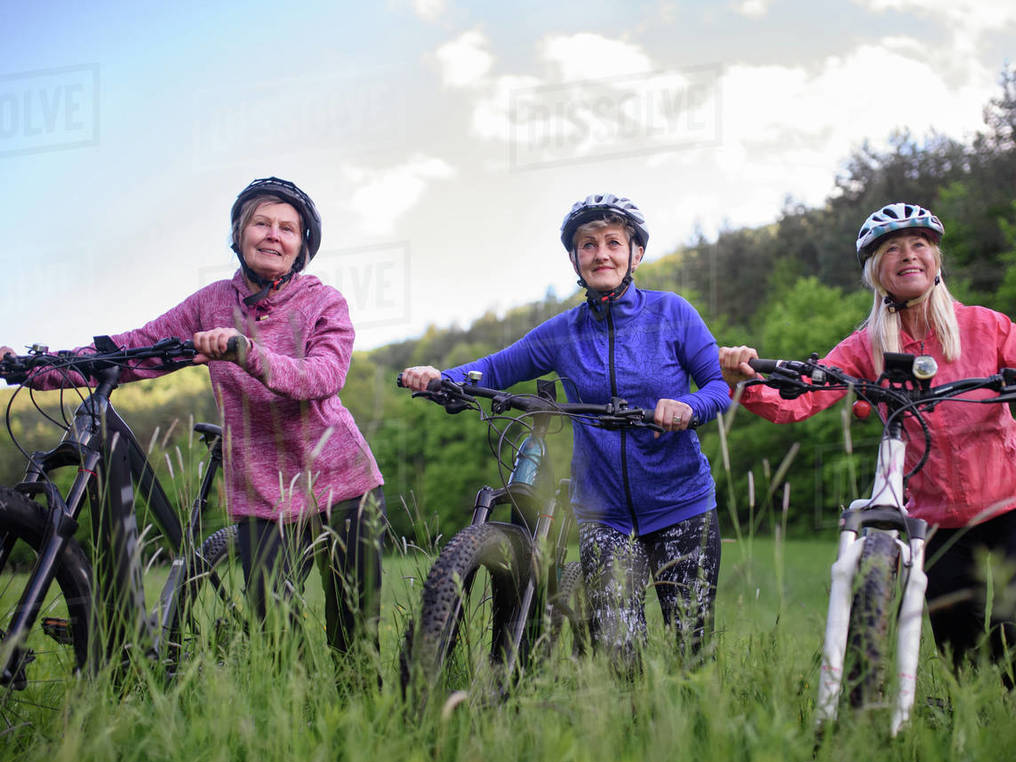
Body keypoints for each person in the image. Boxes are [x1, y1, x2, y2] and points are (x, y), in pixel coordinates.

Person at [3, 177, 386, 661]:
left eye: (288, 228)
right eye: (261, 223)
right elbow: (136, 348)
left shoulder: (323, 302)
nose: (273, 234)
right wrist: (38, 369)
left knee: (355, 634)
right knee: (275, 636)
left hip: (341, 482)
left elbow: (323, 376)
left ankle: (356, 716)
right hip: (262, 493)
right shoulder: (210, 303)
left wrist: (247, 352)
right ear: (238, 235)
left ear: (301, 246)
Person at [719, 202, 1016, 686]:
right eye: (892, 248)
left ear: (936, 261)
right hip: (936, 524)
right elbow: (798, 403)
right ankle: (982, 739)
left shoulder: (988, 326)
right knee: (961, 656)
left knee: (1013, 630)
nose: (908, 255)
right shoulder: (863, 347)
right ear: (876, 270)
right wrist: (742, 380)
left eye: (920, 245)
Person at [400, 193, 730, 668]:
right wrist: (443, 378)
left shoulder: (672, 313)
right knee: (618, 655)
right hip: (604, 514)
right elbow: (496, 367)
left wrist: (688, 407)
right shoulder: (562, 332)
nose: (601, 253)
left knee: (690, 651)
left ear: (635, 254)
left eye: (614, 242)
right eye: (588, 244)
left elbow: (718, 387)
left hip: (681, 505)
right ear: (575, 258)